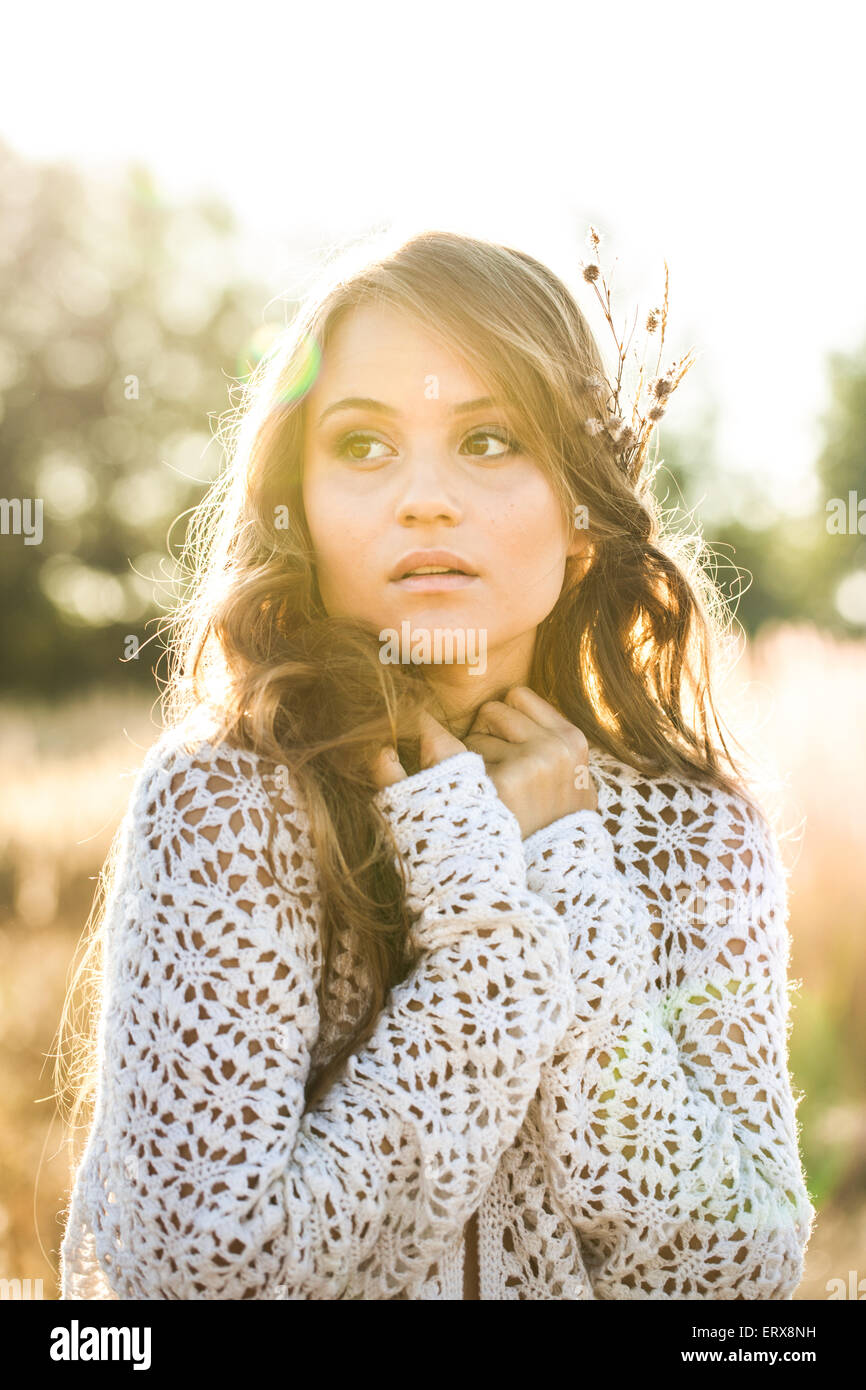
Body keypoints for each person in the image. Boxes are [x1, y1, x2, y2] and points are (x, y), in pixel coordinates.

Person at [56, 227, 816, 1300]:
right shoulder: (224, 806)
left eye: (489, 439)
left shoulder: (695, 831)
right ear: (301, 507)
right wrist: (484, 947)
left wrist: (566, 869)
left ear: (582, 517)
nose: (423, 497)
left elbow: (733, 1279)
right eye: (362, 445)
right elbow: (199, 1281)